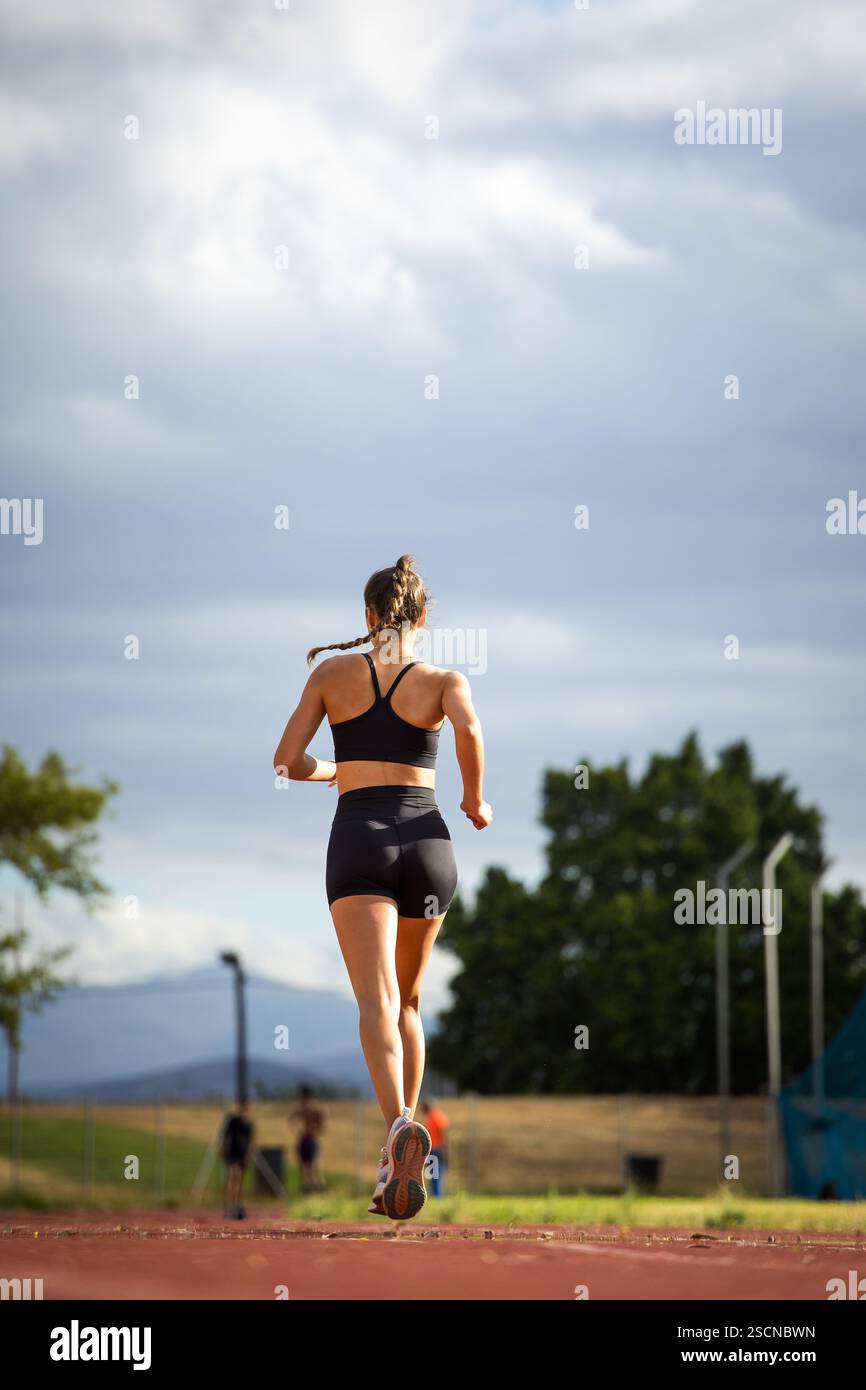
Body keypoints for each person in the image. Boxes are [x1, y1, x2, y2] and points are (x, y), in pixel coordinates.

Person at [273, 555, 491, 1220]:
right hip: (428, 844)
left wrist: (338, 771)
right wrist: (475, 799)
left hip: (359, 839)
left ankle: (397, 1123)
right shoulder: (445, 680)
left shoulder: (331, 675)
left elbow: (287, 761)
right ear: (424, 618)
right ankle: (401, 1147)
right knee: (411, 1001)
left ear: (367, 615)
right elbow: (469, 729)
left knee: (376, 1000)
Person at [289, 1085, 326, 1192]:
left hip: (312, 1139)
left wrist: (314, 1131)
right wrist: (298, 1130)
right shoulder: (301, 1108)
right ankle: (308, 1187)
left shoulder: (315, 1108)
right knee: (304, 1165)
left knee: (314, 1165)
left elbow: (322, 1124)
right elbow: (291, 1120)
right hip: (304, 1138)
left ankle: (318, 1186)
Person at [221, 1101, 254, 1220]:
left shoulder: (249, 1125)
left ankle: (239, 1207)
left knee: (240, 1182)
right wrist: (223, 1149)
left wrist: (248, 1155)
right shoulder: (233, 1121)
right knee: (233, 1177)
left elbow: (250, 1142)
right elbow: (225, 1136)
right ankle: (229, 1207)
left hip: (242, 1155)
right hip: (232, 1154)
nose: (245, 1112)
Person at [421, 1099, 450, 1197]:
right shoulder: (433, 1117)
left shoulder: (436, 1117)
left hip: (438, 1149)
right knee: (434, 1175)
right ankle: (436, 1195)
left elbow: (443, 1133)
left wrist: (444, 1148)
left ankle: (438, 1196)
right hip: (434, 1149)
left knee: (436, 1175)